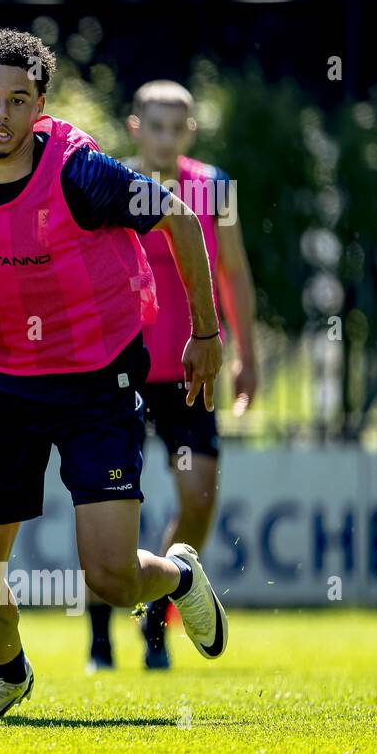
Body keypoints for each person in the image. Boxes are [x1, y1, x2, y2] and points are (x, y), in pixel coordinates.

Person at [0, 29, 229, 719]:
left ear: (40, 104)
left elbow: (183, 222)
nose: (0, 114)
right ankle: (10, 675)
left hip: (96, 381)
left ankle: (181, 575)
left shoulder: (82, 173)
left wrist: (205, 333)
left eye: (17, 100)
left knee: (111, 575)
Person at [85, 80, 259, 671]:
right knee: (106, 508)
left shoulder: (216, 188)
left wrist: (247, 355)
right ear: (136, 128)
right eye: (154, 125)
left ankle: (159, 611)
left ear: (190, 130)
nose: (165, 135)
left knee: (198, 497)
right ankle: (100, 638)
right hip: (121, 368)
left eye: (176, 126)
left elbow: (233, 272)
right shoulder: (107, 183)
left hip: (193, 365)